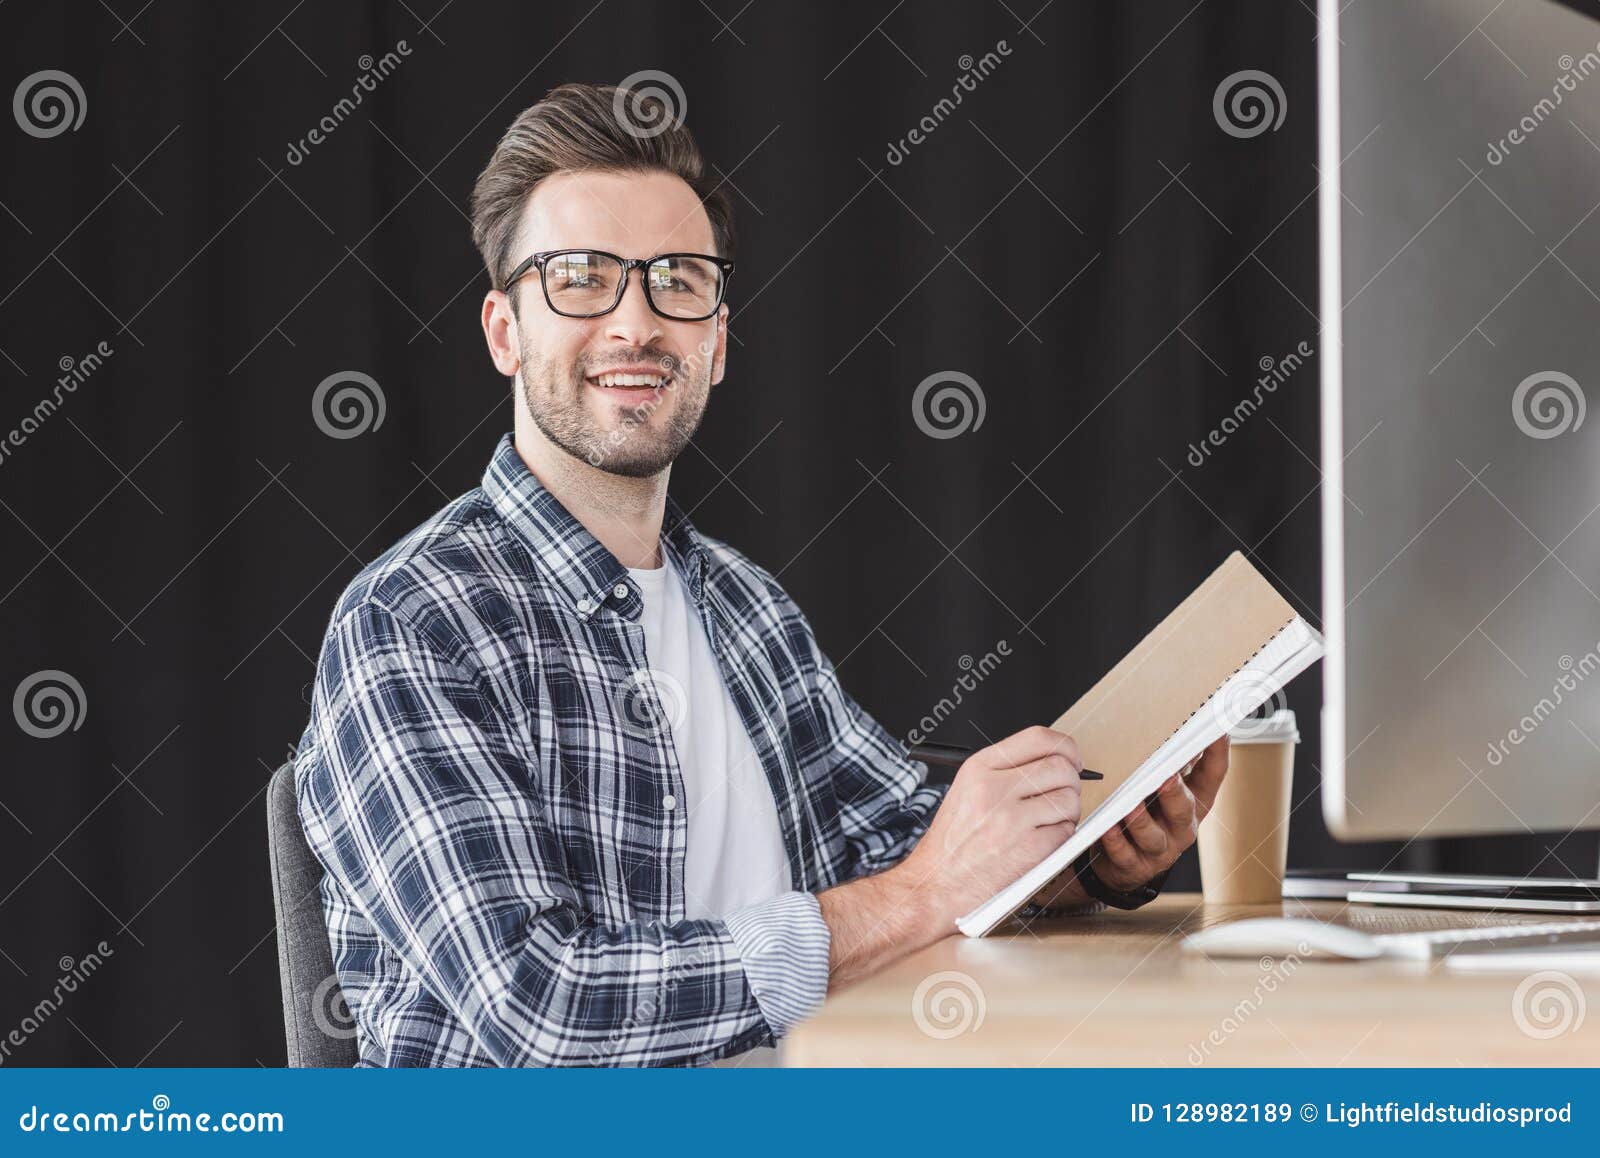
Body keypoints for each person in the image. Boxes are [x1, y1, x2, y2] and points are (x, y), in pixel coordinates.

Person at [294, 82, 1229, 1067]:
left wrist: (1088, 863)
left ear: (719, 340)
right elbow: (543, 1009)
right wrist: (922, 894)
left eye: (678, 281)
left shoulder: (745, 610)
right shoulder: (411, 623)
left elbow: (911, 847)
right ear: (503, 331)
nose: (634, 324)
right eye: (579, 277)